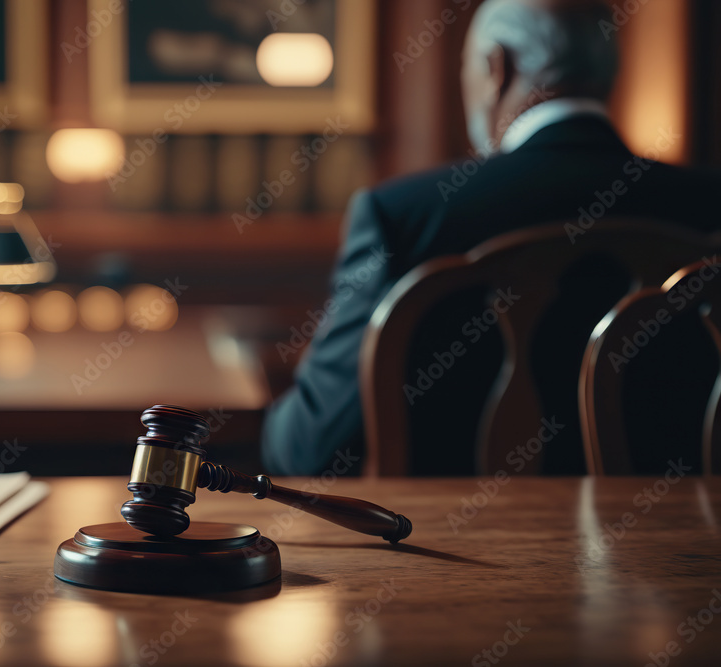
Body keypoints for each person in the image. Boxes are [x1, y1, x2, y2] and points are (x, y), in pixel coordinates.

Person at [261, 0, 721, 475]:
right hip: (682, 524)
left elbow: (314, 446)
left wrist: (265, 429)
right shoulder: (709, 205)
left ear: (496, 67)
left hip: (446, 524)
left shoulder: (404, 216)